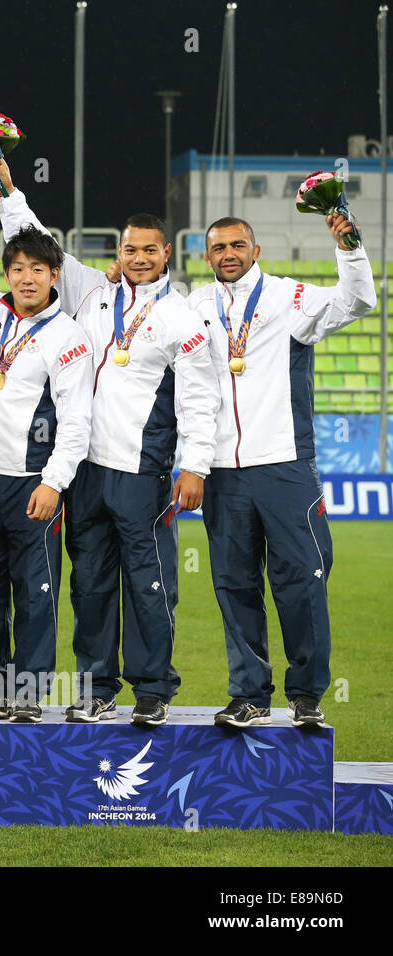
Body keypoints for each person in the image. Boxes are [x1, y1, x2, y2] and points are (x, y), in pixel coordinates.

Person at [0, 160, 220, 727]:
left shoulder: (181, 316)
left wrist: (195, 467)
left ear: (165, 253)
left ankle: (153, 689)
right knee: (90, 583)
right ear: (118, 254)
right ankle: (96, 686)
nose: (138, 258)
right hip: (85, 471)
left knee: (149, 584)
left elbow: (199, 396)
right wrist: (7, 190)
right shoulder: (95, 294)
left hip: (143, 471)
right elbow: (38, 246)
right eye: (129, 249)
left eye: (149, 249)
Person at [187, 211, 373, 730]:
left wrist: (349, 249)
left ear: (256, 249)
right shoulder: (194, 305)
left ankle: (308, 694)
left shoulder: (289, 297)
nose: (229, 253)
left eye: (238, 244)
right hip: (223, 470)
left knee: (302, 580)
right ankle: (249, 693)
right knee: (234, 583)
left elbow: (358, 301)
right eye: (219, 246)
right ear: (207, 256)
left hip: (286, 466)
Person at [0, 211, 93, 724]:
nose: (26, 278)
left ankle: (28, 694)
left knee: (35, 595)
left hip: (33, 484)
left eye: (37, 269)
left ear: (55, 275)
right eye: (17, 269)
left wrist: (54, 483)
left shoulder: (69, 337)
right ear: (6, 274)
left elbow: (78, 420)